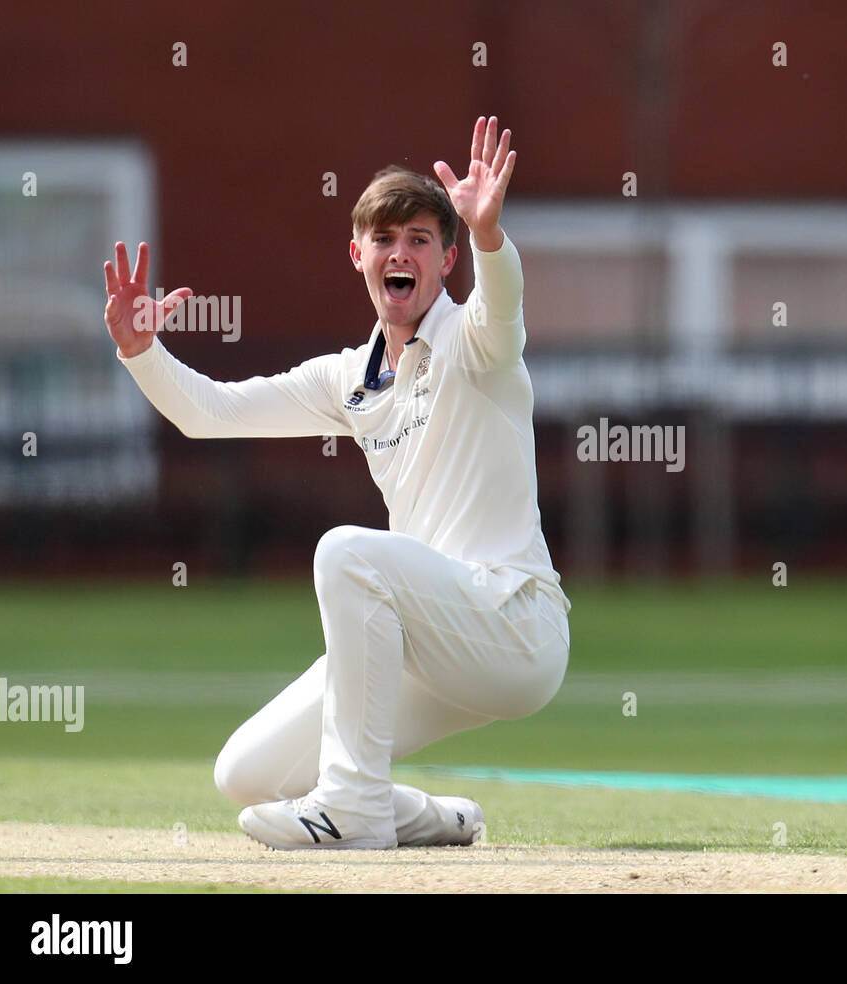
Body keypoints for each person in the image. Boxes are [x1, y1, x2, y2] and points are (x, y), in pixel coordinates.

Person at [102, 116, 571, 848]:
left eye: (420, 239)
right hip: (430, 638)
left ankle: (352, 812)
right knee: (248, 775)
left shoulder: (473, 343)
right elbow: (211, 414)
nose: (401, 253)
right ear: (358, 256)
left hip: (515, 627)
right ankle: (424, 816)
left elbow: (502, 309)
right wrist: (142, 352)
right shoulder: (347, 377)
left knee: (346, 551)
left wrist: (488, 237)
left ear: (445, 261)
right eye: (385, 240)